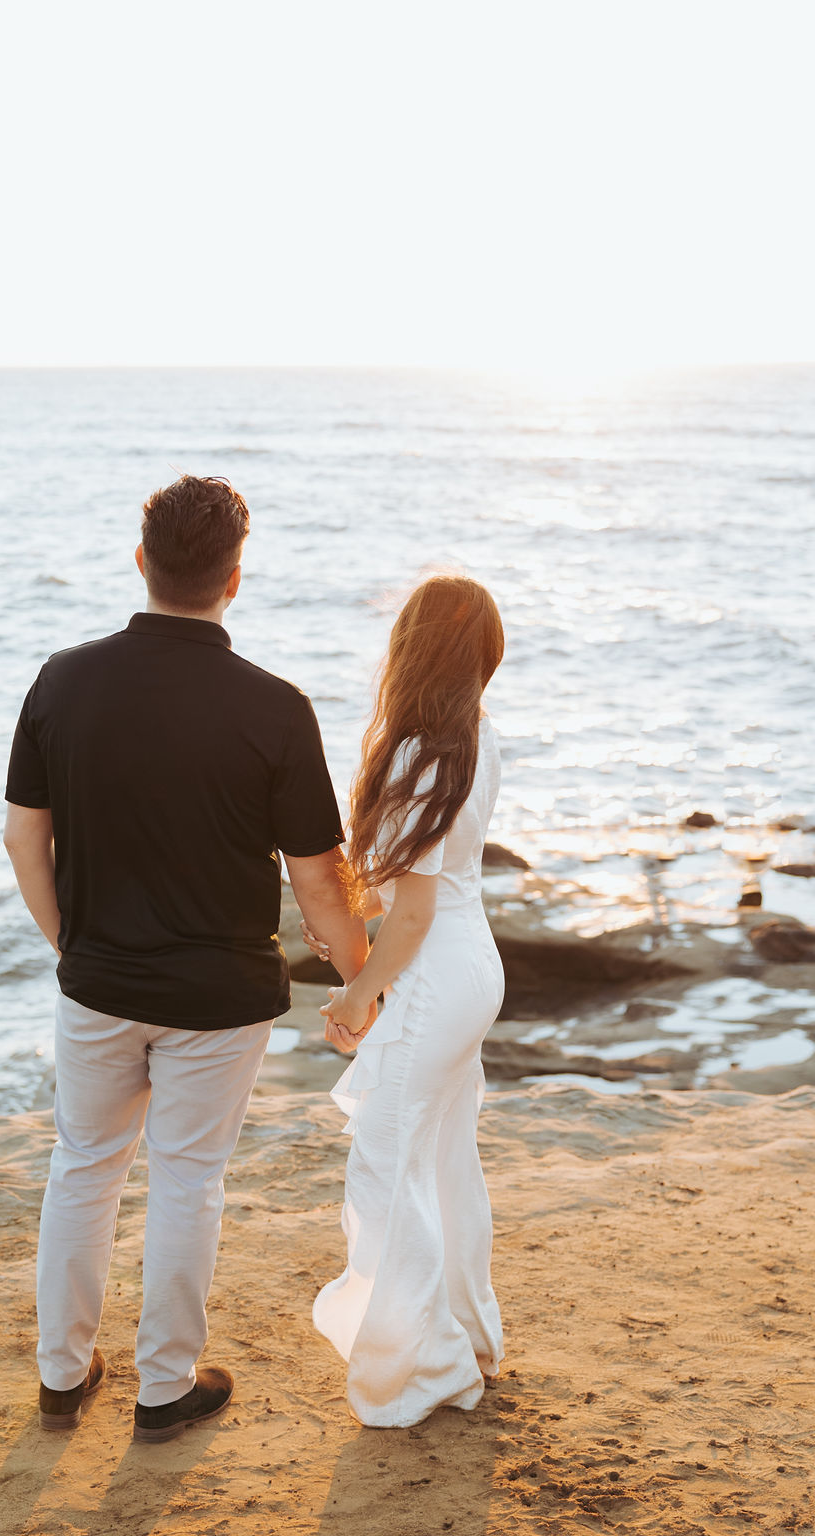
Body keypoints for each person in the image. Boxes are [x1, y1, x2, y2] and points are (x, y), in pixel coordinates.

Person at [3, 475, 370, 1440]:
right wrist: (364, 979)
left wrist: (70, 946)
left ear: (141, 564)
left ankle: (60, 1374)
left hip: (98, 982)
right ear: (234, 580)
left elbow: (21, 840)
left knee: (84, 1167)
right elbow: (321, 881)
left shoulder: (61, 679)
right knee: (185, 1179)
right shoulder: (278, 708)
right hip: (219, 995)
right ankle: (163, 1387)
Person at [308, 574, 506, 1428]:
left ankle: (421, 1367)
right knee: (441, 1159)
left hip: (434, 976)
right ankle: (465, 1333)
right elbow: (422, 892)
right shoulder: (475, 738)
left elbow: (414, 910)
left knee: (387, 1159)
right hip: (475, 966)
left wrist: (360, 991)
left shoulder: (417, 752)